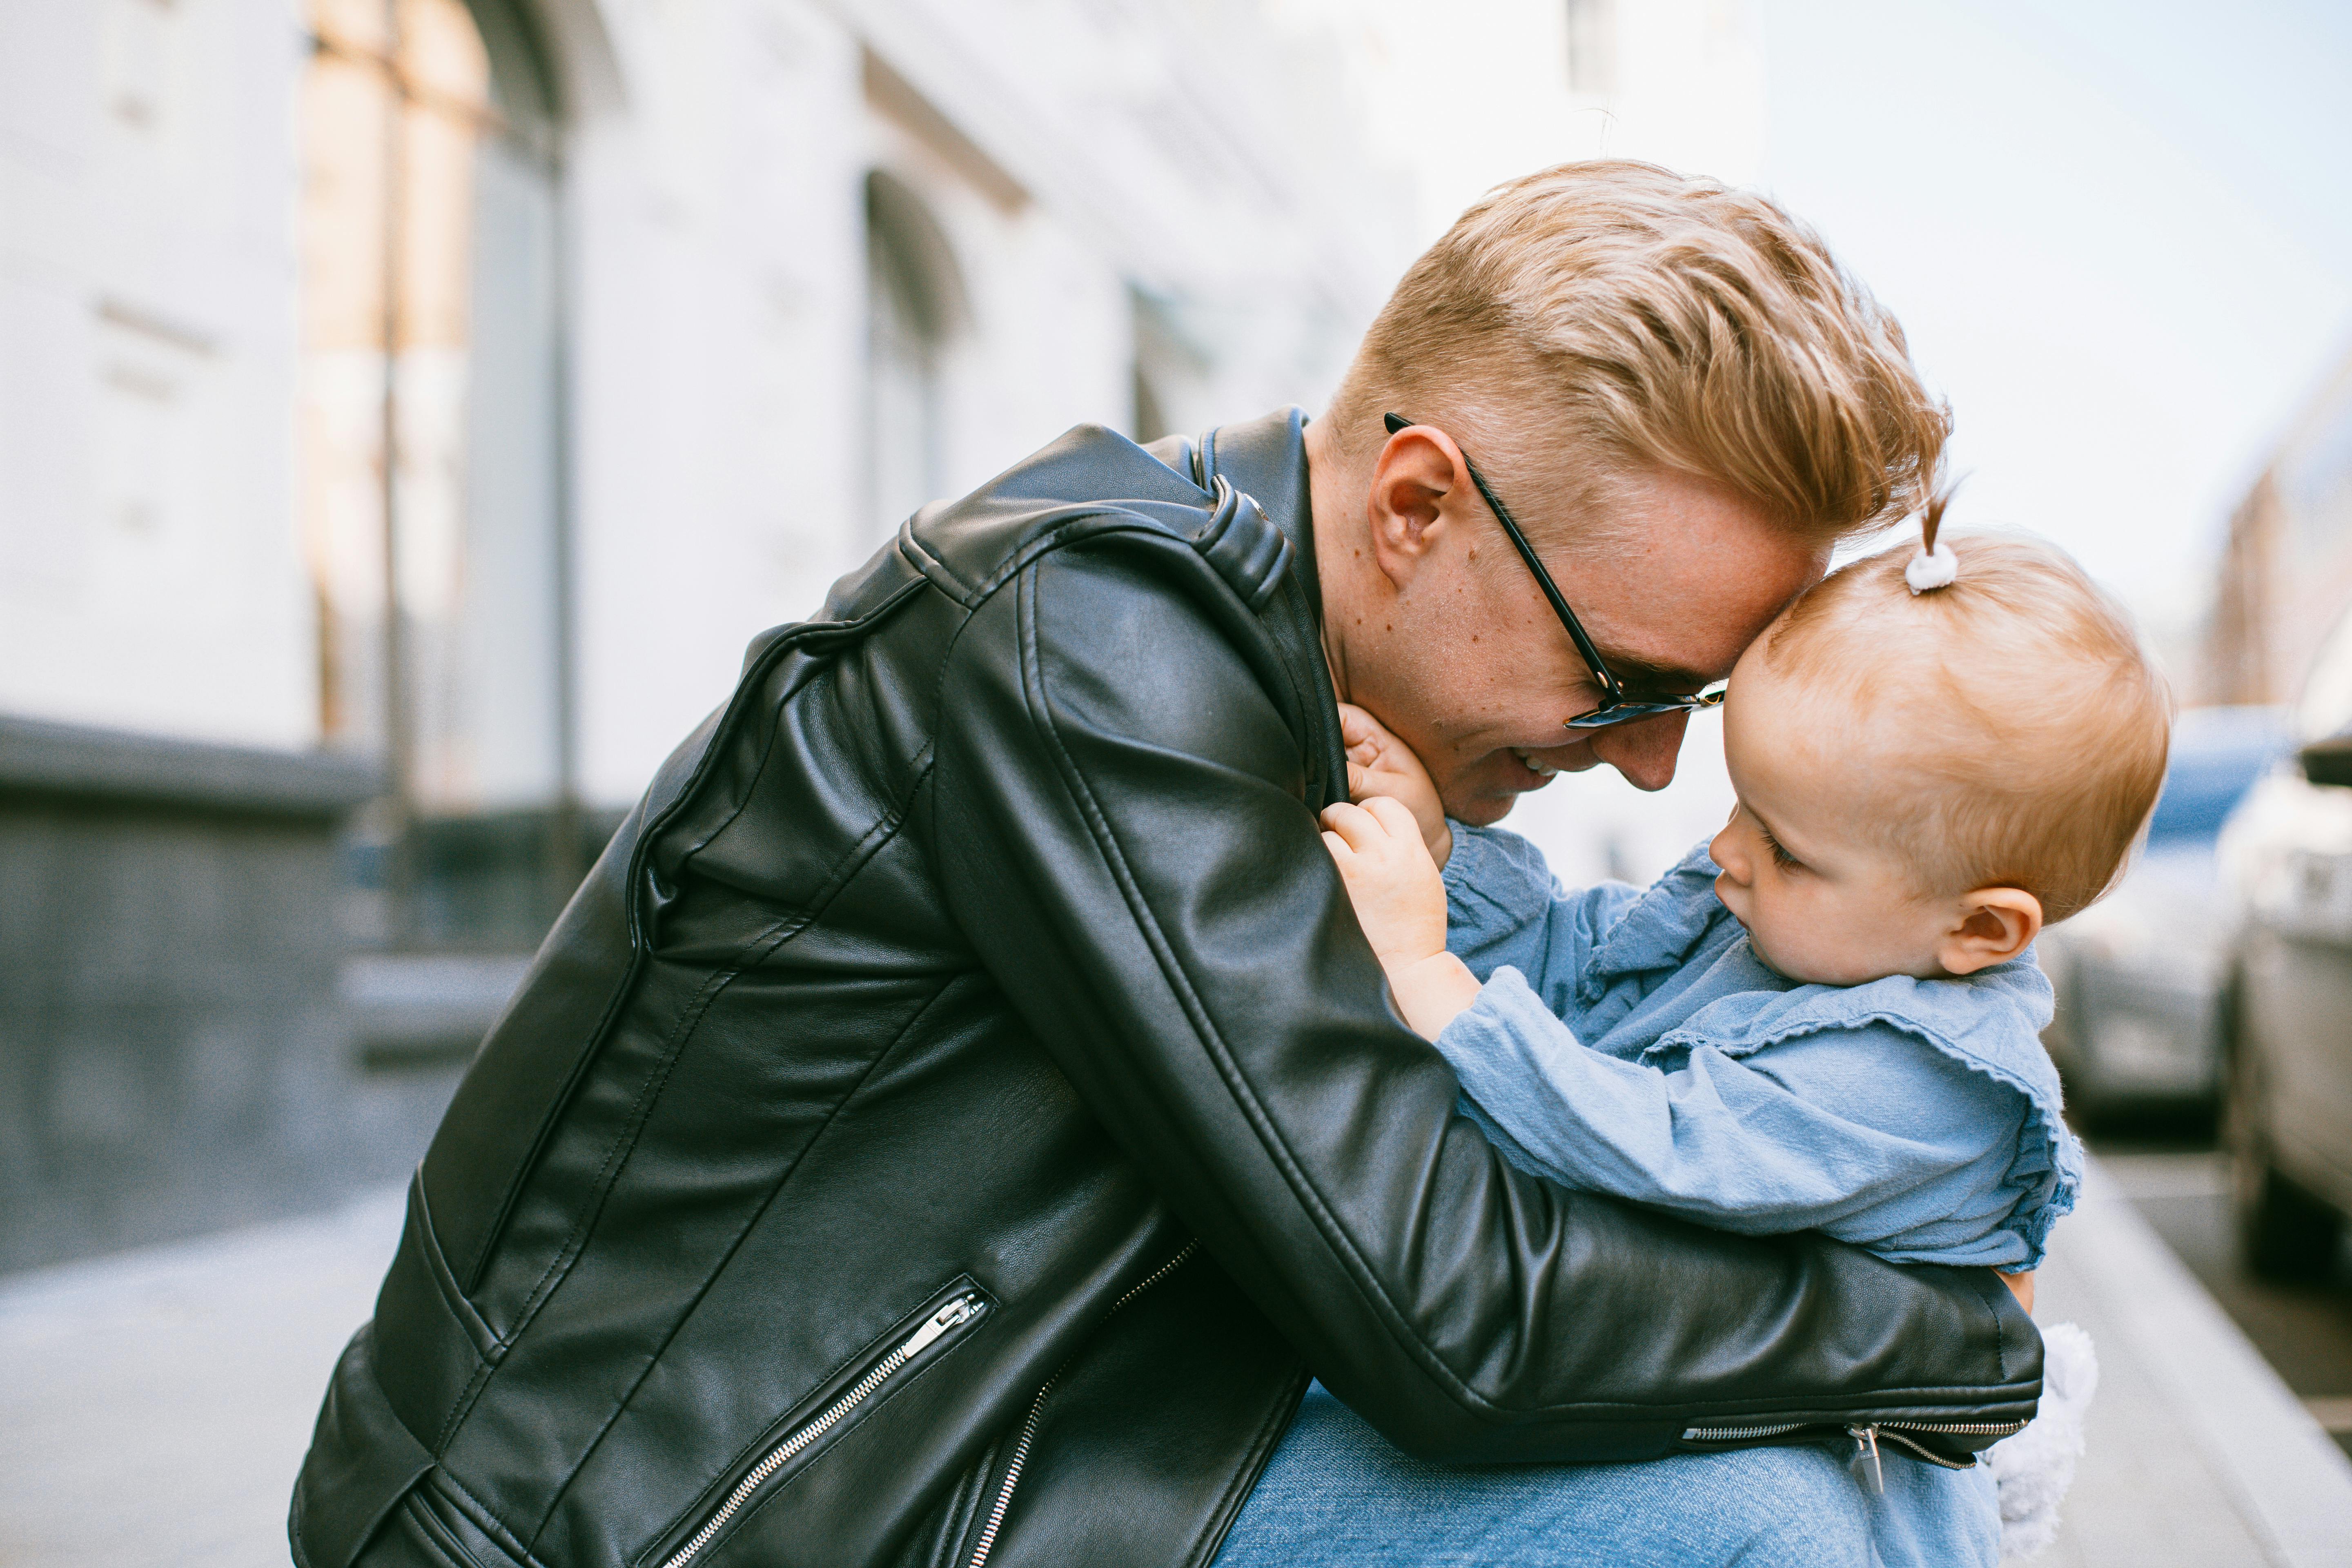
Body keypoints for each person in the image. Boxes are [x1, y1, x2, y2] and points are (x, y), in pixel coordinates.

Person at [291, 163, 2041, 1568]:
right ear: (1416, 508)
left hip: (1066, 1428)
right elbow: (1453, 1317)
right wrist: (1958, 1341)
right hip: (688, 1519)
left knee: (1824, 1497)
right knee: (1769, 1526)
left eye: (1700, 701)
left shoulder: (1325, 709)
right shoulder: (1091, 642)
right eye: (1627, 682)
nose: (1659, 762)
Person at [1305, 519, 2166, 1566]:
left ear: (1979, 930)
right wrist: (1439, 856)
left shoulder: (1924, 1080)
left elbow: (1657, 1150)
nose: (1727, 849)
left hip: (1847, 1510)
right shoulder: (1789, 924)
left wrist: (1428, 975)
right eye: (1744, 805)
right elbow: (1581, 960)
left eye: (1785, 844)